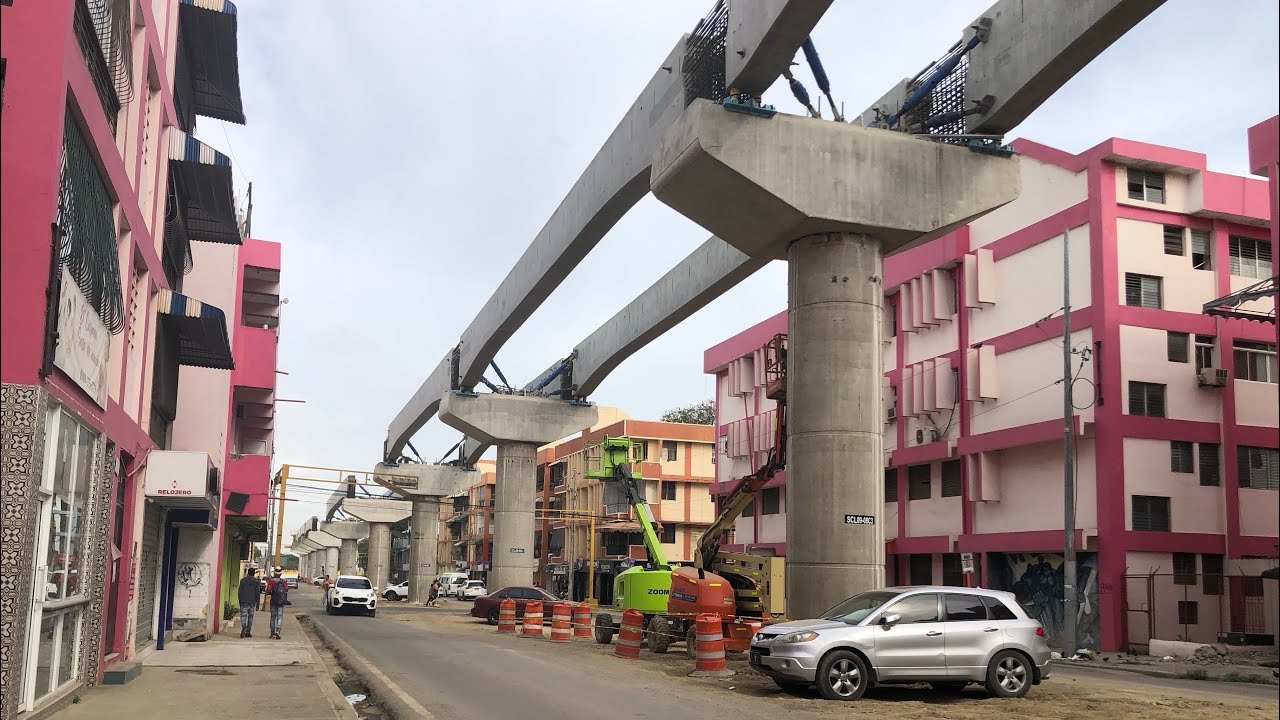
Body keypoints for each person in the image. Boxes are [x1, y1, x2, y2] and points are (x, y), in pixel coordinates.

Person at [265, 566, 290, 639]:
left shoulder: (271, 581)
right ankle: (278, 631)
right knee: (280, 616)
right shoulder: (284, 581)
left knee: (273, 617)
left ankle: (272, 633)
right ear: (281, 573)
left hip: (273, 601)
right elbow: (286, 589)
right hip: (281, 601)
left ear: (275, 573)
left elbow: (268, 590)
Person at [237, 566, 261, 638]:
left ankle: (244, 627)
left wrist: (240, 600)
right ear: (254, 574)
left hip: (244, 601)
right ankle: (248, 632)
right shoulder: (257, 582)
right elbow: (257, 593)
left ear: (247, 573)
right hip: (252, 601)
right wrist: (258, 604)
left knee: (243, 615)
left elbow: (239, 591)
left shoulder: (243, 581)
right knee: (250, 617)